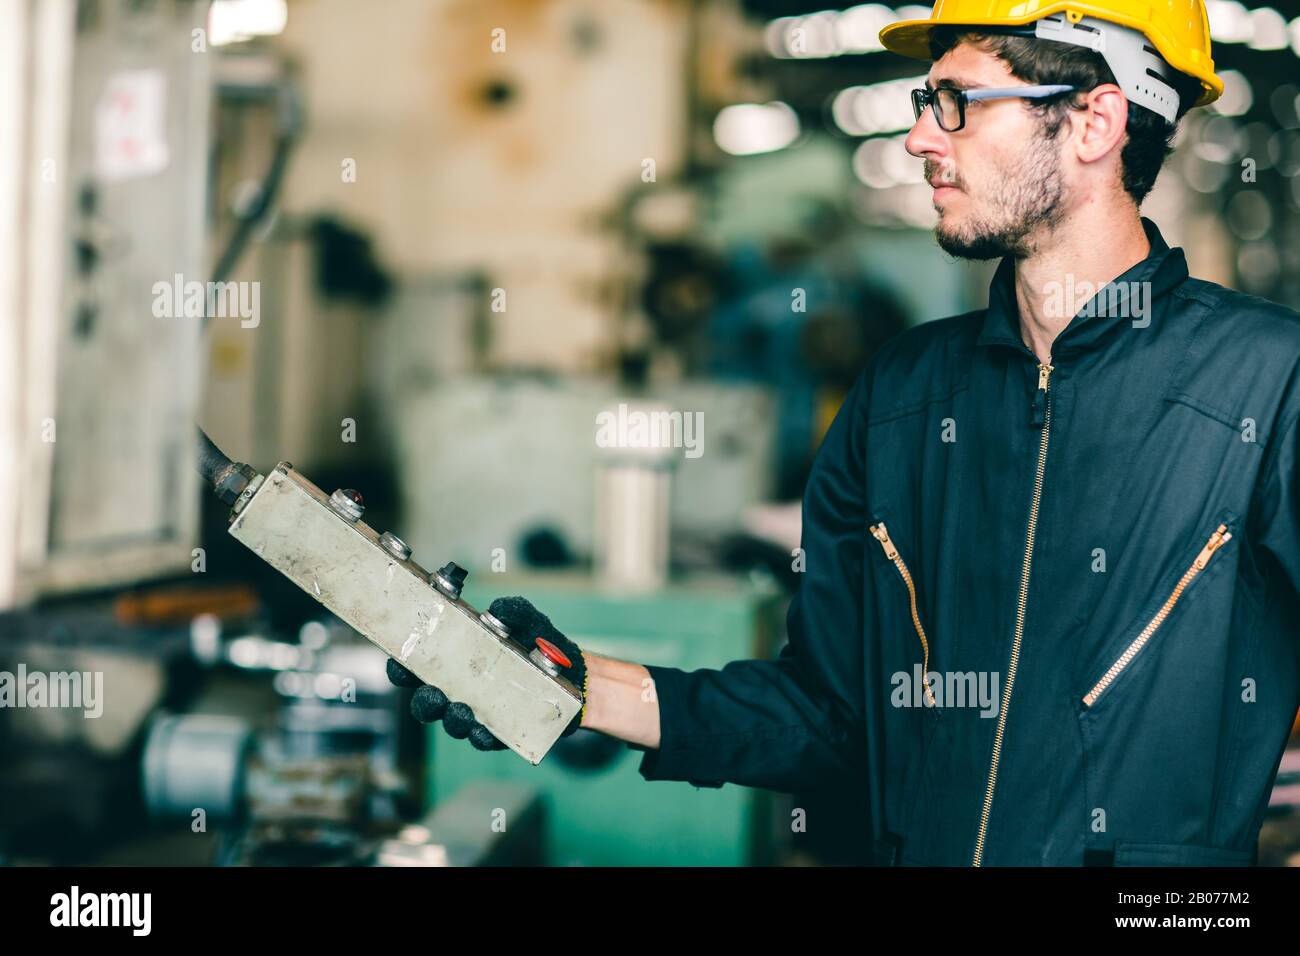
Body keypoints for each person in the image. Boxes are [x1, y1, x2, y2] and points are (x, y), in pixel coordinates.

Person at [389, 0, 1300, 866]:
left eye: (956, 104)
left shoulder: (1267, 382)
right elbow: (831, 711)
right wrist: (579, 687)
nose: (917, 138)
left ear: (1096, 122)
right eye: (921, 103)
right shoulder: (903, 397)